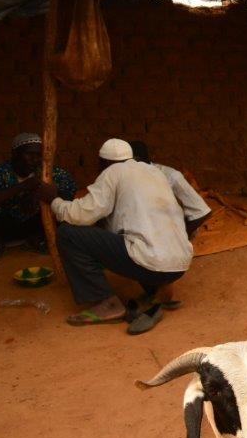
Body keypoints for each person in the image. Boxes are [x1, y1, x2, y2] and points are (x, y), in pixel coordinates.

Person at [36, 138, 193, 334]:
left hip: (151, 262)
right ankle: (157, 289)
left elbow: (81, 214)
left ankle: (107, 303)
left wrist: (54, 200)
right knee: (136, 235)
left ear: (105, 163)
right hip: (179, 264)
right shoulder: (154, 172)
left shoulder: (112, 172)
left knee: (68, 234)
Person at [0, 133, 75, 262]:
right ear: (15, 154)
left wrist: (46, 193)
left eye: (38, 155)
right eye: (29, 154)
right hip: (5, 227)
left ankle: (37, 240)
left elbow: (71, 191)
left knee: (61, 205)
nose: (35, 159)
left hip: (32, 225)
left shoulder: (47, 172)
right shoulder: (0, 173)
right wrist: (23, 186)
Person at [128, 140, 211, 237]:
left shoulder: (170, 175)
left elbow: (201, 211)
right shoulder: (125, 178)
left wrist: (180, 236)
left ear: (135, 159)